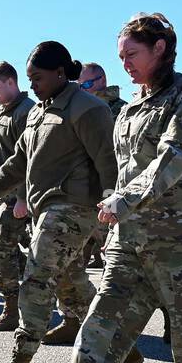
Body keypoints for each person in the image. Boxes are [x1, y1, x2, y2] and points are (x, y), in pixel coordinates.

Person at [21, 13, 182, 363]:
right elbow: (122, 168)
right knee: (105, 317)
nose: (125, 63)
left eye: (132, 54)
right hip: (131, 240)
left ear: (160, 48)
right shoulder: (131, 106)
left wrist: (126, 199)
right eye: (120, 56)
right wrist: (111, 224)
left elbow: (173, 157)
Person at [0, 42, 116, 363]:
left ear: (61, 73)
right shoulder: (39, 113)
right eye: (29, 78)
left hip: (75, 208)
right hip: (46, 210)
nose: (32, 84)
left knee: (35, 280)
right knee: (70, 284)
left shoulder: (88, 109)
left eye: (38, 77)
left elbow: (110, 163)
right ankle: (119, 349)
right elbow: (18, 161)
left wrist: (113, 208)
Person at [0, 61, 36, 331]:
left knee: (2, 253)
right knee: (8, 252)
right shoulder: (2, 113)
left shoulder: (26, 112)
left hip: (17, 198)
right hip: (0, 196)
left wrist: (24, 197)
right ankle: (32, 299)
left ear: (11, 82)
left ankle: (12, 310)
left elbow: (30, 160)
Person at [78, 63, 126, 270]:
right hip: (88, 187)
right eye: (79, 85)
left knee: (114, 241)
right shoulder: (83, 110)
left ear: (102, 81)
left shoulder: (121, 110)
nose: (83, 89)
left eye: (87, 84)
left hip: (111, 186)